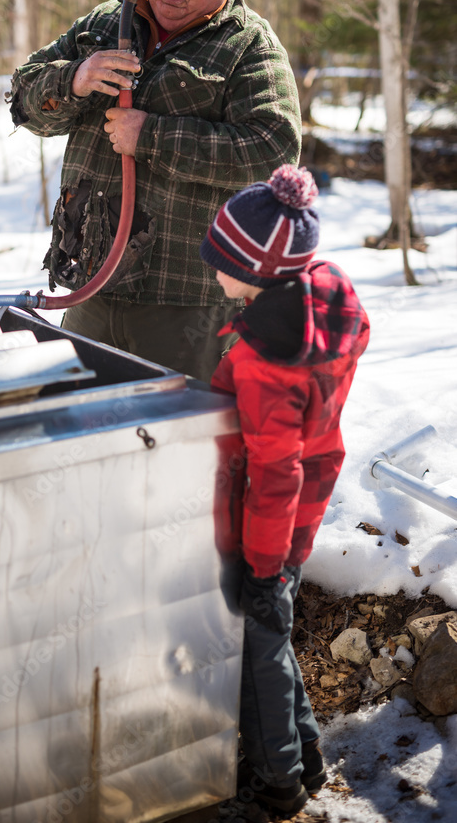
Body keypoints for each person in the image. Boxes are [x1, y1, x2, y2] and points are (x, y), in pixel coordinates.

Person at [6, 0, 301, 382]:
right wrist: (74, 79)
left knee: (169, 444)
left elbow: (274, 152)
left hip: (186, 307)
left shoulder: (249, 46)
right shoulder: (109, 22)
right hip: (90, 284)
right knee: (71, 430)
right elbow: (23, 97)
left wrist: (154, 137)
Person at [200, 164, 370, 816]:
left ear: (257, 271)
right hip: (304, 507)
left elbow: (275, 471)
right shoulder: (328, 303)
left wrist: (263, 567)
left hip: (268, 523)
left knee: (258, 640)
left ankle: (275, 781)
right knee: (270, 637)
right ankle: (304, 755)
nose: (212, 271)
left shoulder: (266, 358)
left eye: (220, 261)